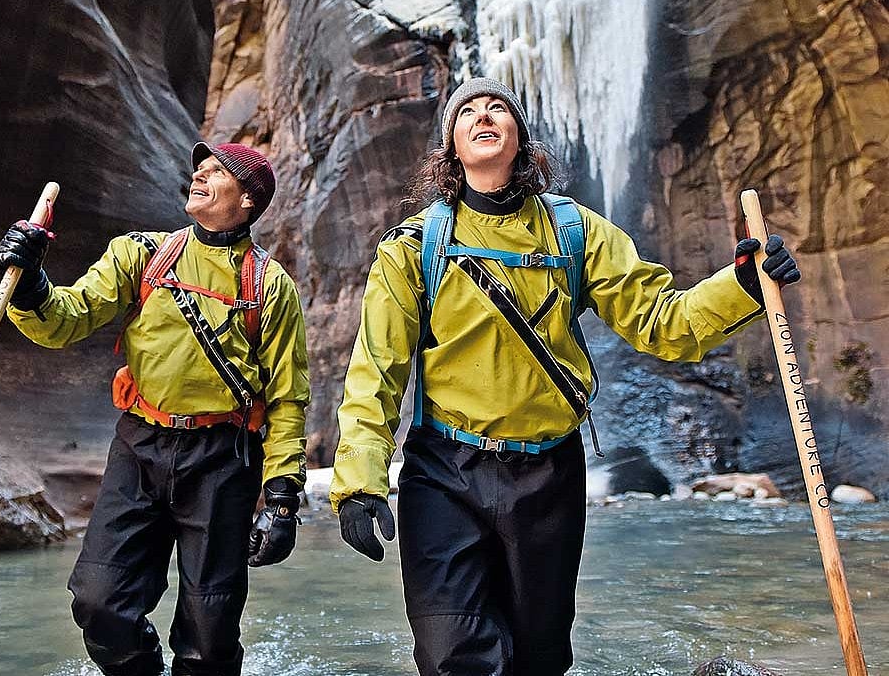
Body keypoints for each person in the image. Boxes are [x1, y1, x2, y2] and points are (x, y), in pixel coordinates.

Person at [329, 77, 800, 676]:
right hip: (444, 470)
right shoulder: (412, 246)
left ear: (521, 137)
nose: (483, 116)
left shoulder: (574, 232)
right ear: (449, 148)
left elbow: (663, 322)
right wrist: (358, 483)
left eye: (497, 107)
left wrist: (742, 286)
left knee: (539, 657)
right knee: (453, 655)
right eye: (466, 112)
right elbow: (376, 371)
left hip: (549, 473)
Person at [0, 142, 310, 676]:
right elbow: (66, 318)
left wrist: (281, 500)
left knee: (210, 637)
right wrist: (30, 285)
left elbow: (287, 398)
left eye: (218, 172)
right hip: (139, 447)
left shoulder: (271, 287)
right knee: (98, 601)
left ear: (250, 199)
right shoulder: (140, 254)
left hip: (222, 458)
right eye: (199, 170)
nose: (200, 177)